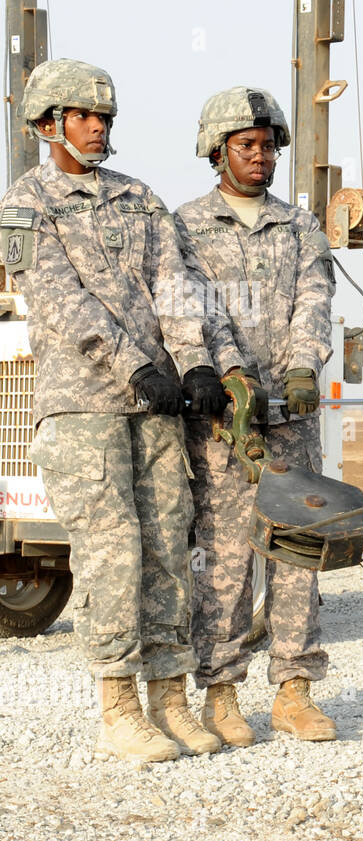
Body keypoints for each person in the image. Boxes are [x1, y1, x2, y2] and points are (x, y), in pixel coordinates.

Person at [3, 59, 226, 762]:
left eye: (104, 117)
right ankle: (118, 708)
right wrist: (134, 365)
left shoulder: (140, 197)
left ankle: (170, 697)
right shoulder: (24, 203)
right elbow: (59, 298)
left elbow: (175, 284)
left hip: (157, 406)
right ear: (49, 124)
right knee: (112, 553)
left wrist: (193, 360)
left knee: (167, 546)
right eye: (84, 116)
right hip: (85, 408)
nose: (98, 127)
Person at [172, 87, 336, 744]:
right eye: (247, 145)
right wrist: (233, 372)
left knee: (298, 546)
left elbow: (314, 300)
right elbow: (194, 309)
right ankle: (221, 691)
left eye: (268, 146)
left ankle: (295, 690)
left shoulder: (300, 227)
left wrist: (303, 367)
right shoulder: (186, 227)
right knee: (224, 555)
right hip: (224, 420)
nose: (261, 156)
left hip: (291, 417)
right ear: (218, 151)